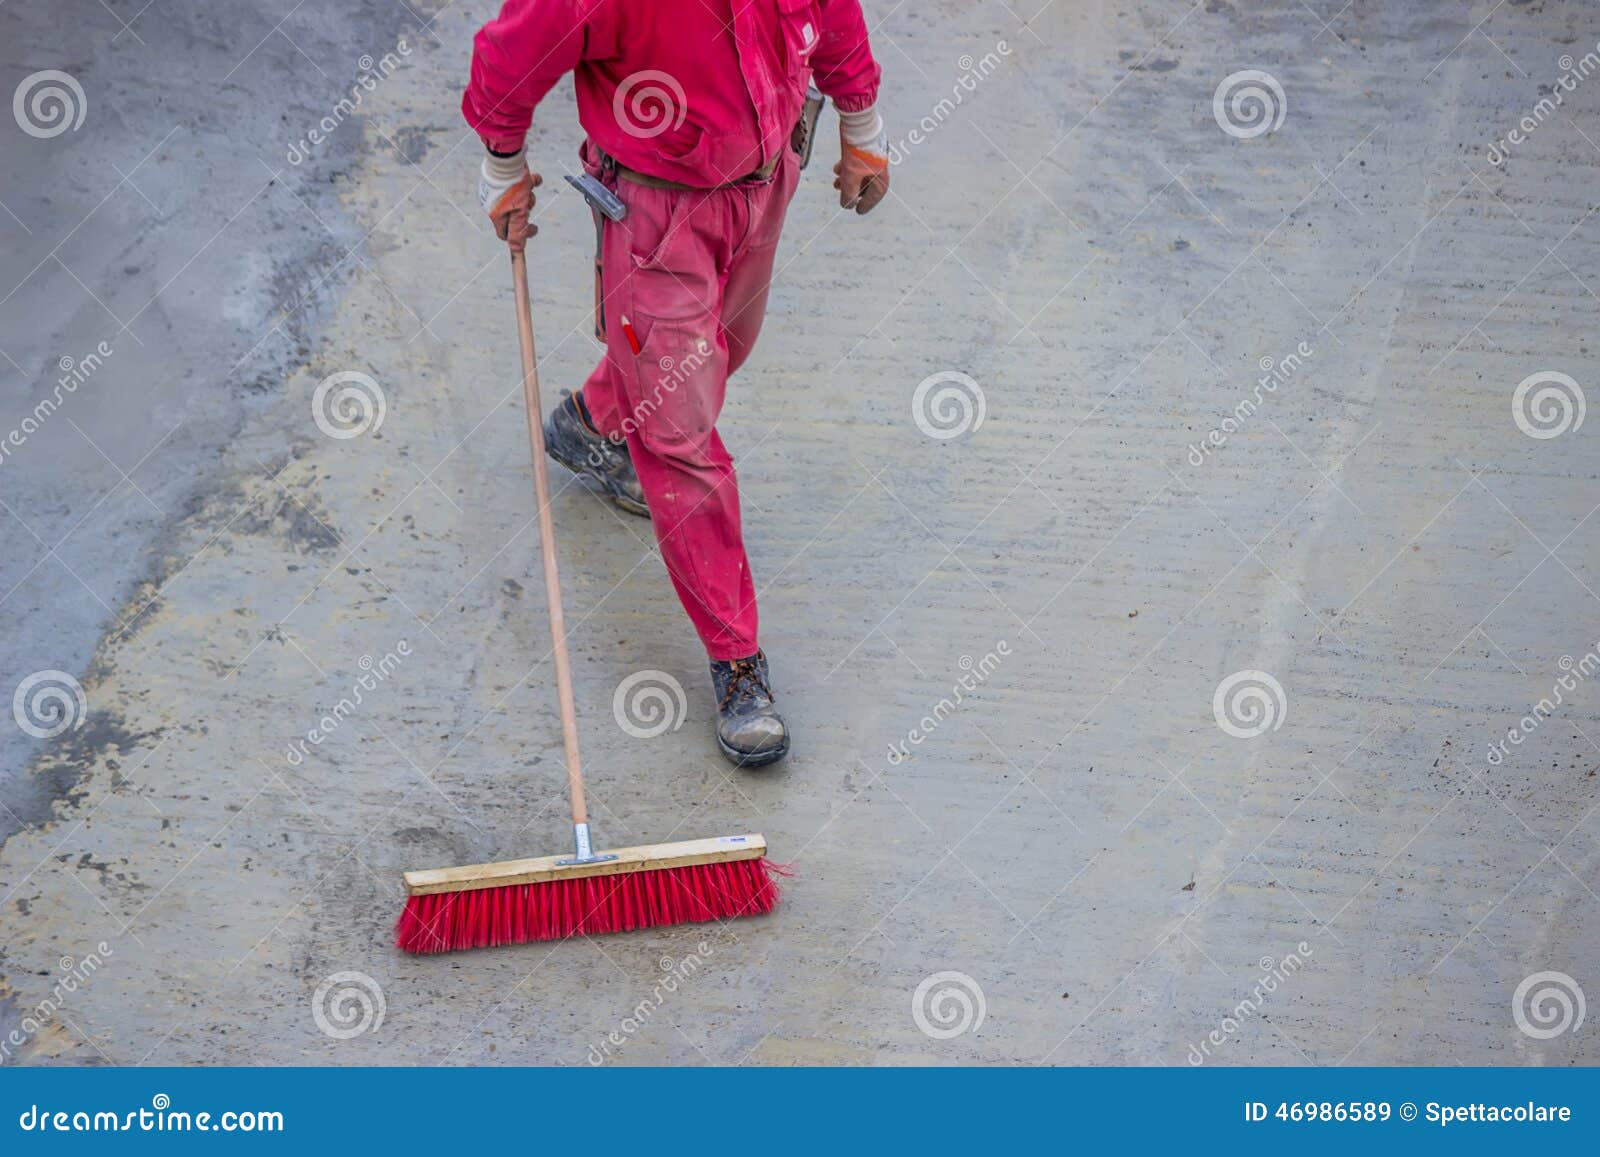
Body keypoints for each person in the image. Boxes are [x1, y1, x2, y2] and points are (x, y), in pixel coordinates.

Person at [464, 0, 888, 767]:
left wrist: (860, 129)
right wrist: (502, 168)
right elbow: (506, 58)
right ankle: (738, 666)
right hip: (657, 216)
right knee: (680, 437)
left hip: (763, 184)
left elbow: (831, 11)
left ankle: (593, 422)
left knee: (721, 348)